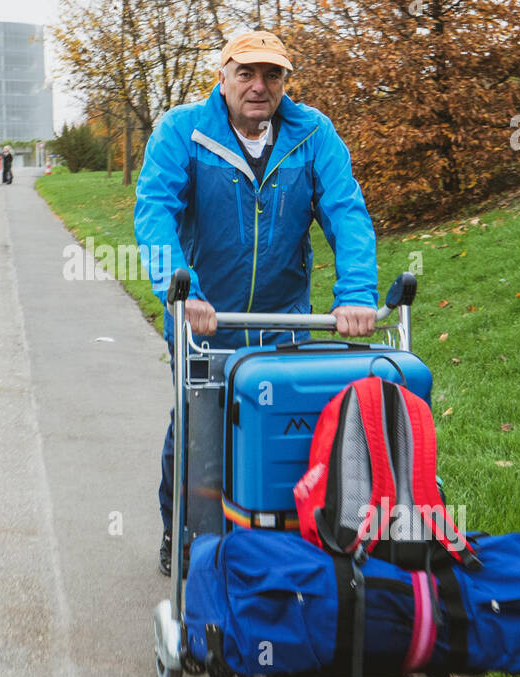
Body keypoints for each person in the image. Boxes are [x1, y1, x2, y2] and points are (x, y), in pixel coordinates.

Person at [134, 29, 379, 577]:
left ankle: (275, 543)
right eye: (246, 73)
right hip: (206, 319)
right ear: (222, 78)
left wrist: (357, 294)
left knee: (285, 429)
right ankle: (185, 530)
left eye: (272, 75)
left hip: (282, 319)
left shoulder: (312, 133)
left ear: (285, 82)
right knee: (201, 428)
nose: (259, 86)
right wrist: (184, 292)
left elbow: (347, 212)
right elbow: (155, 212)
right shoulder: (183, 132)